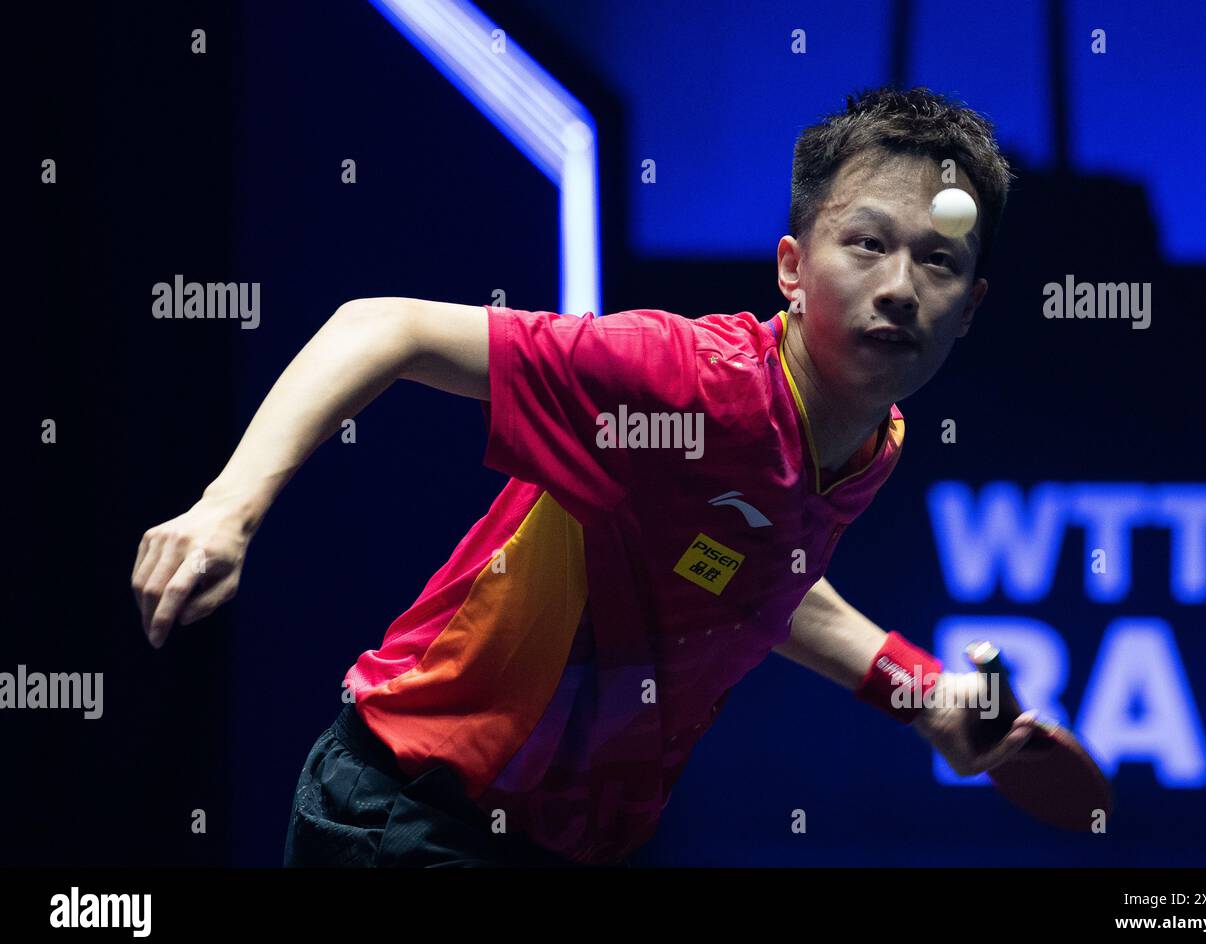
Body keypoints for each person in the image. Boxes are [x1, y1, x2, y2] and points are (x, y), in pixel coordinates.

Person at [130, 86, 1040, 867]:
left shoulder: (871, 441)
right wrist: (227, 507)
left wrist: (920, 694)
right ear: (792, 269)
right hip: (411, 817)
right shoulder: (684, 381)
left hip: (559, 842)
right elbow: (382, 327)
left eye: (939, 260)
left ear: (971, 309)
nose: (899, 286)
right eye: (867, 244)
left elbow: (760, 576)